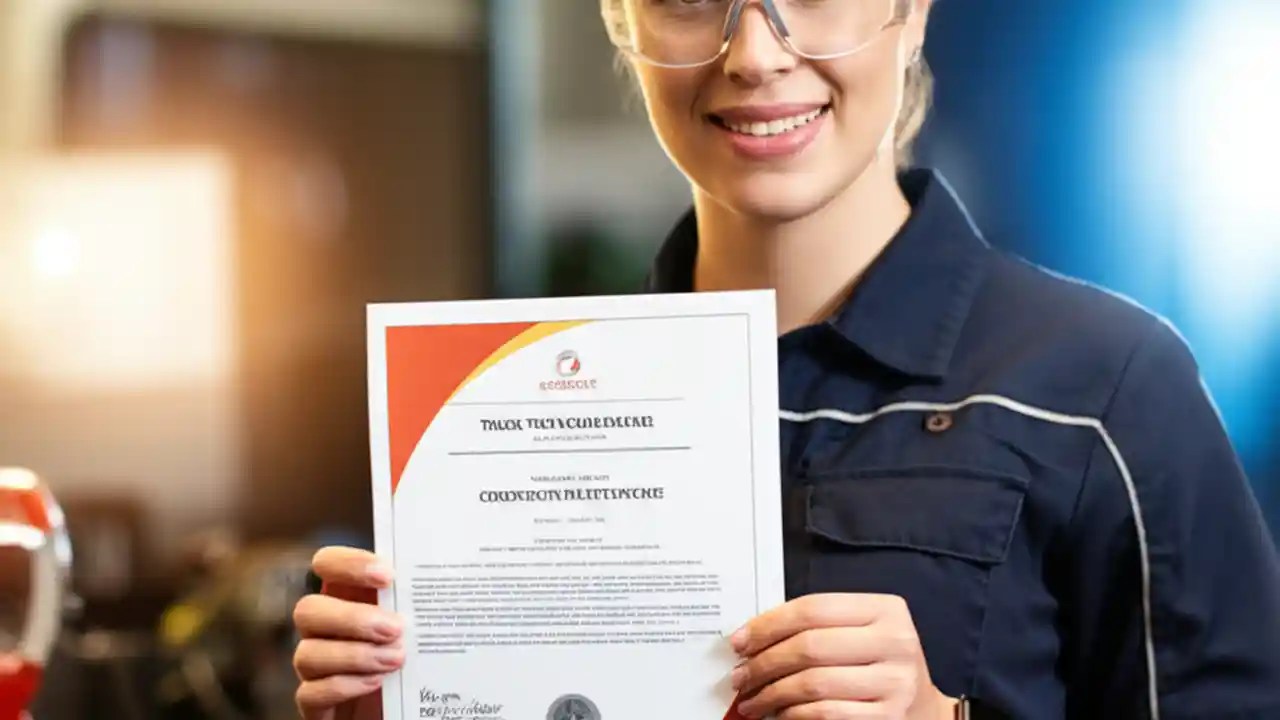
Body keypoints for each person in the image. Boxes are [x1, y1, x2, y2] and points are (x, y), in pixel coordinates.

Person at [291, 1, 1280, 718]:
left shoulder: (1103, 387)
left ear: (912, 13)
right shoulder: (492, 418)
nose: (754, 52)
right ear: (621, 24)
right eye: (687, 1)